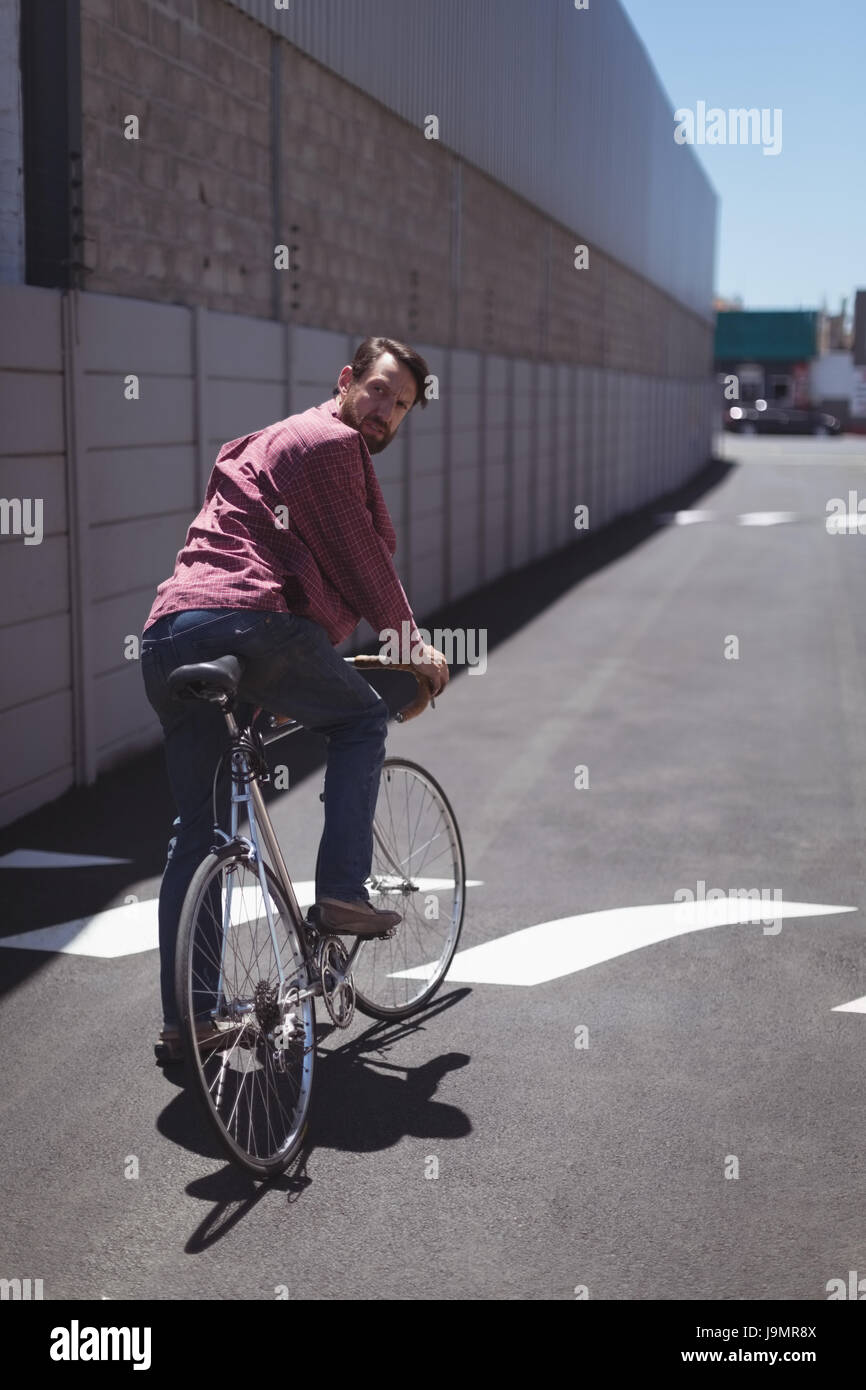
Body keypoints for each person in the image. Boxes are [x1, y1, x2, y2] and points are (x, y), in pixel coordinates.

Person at [140, 336, 449, 1059]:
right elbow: (361, 560)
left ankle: (190, 1021)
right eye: (377, 390)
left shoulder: (257, 444)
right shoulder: (327, 441)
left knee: (203, 833)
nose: (384, 412)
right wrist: (411, 644)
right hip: (252, 623)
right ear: (345, 381)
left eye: (400, 405)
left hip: (170, 636)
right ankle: (343, 889)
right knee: (361, 720)